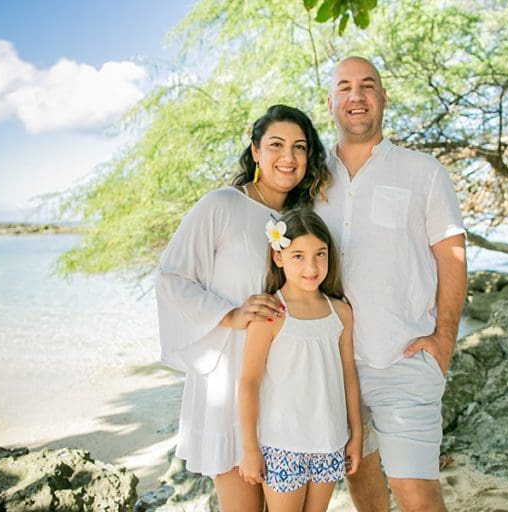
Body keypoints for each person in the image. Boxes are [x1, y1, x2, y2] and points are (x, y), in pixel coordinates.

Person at [155, 104, 332, 512]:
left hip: (287, 385)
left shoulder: (303, 219)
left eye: (300, 147)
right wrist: (229, 314)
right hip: (232, 380)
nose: (288, 157)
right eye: (276, 145)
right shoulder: (221, 205)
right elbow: (171, 278)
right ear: (255, 151)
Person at [313, 57, 468, 512]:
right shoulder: (310, 178)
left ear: (383, 97)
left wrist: (443, 339)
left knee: (418, 496)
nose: (356, 96)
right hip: (332, 366)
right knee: (361, 483)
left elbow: (452, 258)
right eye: (345, 87)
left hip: (403, 359)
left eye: (367, 86)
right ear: (330, 102)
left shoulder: (423, 171)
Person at [237, 208, 363, 512]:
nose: (311, 266)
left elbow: (348, 376)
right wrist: (250, 448)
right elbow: (249, 382)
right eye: (298, 256)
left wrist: (356, 434)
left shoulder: (340, 312)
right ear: (278, 257)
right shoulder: (271, 313)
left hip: (329, 442)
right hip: (282, 445)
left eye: (320, 254)